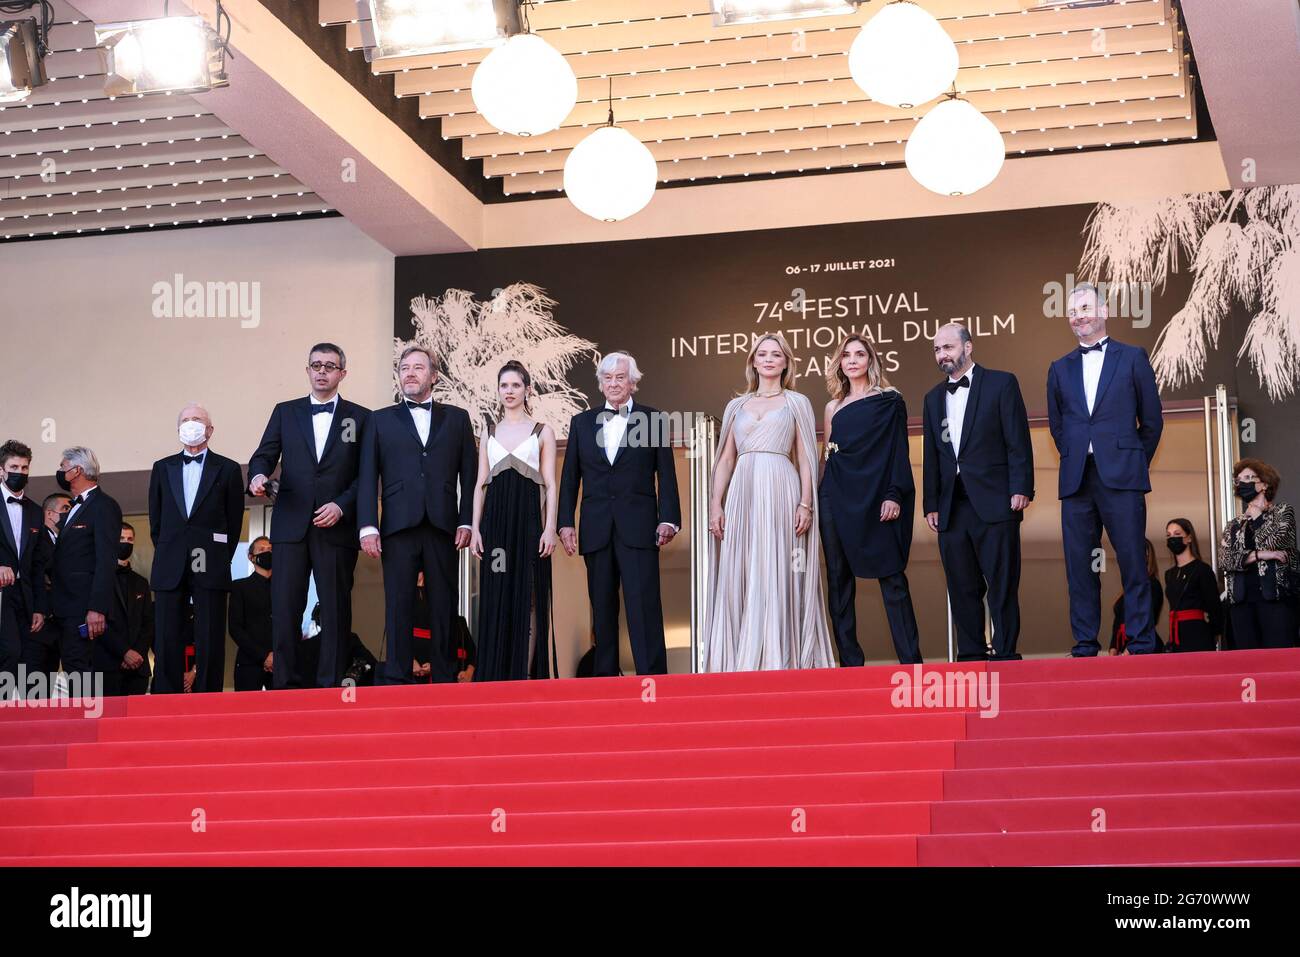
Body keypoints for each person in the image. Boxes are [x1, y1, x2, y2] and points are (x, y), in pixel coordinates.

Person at [1047, 282, 1163, 656]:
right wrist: (1078, 454)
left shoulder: (1132, 357)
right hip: (1077, 478)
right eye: (1072, 311)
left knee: (1132, 560)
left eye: (1084, 308)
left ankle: (1142, 641)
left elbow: (1152, 421)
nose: (1078, 316)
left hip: (1122, 476)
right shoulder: (1058, 368)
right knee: (1079, 567)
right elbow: (1058, 426)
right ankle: (1084, 643)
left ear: (1104, 311)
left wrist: (1132, 461)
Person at [704, 333, 833, 672]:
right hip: (742, 492)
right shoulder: (736, 406)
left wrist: (806, 503)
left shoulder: (797, 402)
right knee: (744, 568)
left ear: (786, 362)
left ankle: (784, 656)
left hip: (782, 487)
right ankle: (742, 661)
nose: (769, 359)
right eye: (763, 354)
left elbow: (806, 457)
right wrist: (715, 503)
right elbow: (726, 460)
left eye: (777, 354)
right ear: (753, 361)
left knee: (787, 566)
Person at [248, 343, 370, 689]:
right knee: (286, 608)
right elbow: (264, 455)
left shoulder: (361, 417)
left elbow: (366, 474)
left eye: (330, 366)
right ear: (307, 371)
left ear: (342, 374)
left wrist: (342, 505)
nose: (321, 371)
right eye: (316, 365)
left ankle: (329, 685)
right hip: (290, 525)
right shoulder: (285, 412)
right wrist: (257, 475)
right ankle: (284, 685)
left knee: (334, 609)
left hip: (336, 526)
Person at [558, 351, 682, 676]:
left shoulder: (653, 419)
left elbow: (666, 474)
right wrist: (565, 523)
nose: (614, 383)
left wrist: (668, 518)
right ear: (600, 384)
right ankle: (605, 684)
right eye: (608, 378)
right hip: (596, 529)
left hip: (640, 528)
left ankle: (652, 680)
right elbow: (570, 476)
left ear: (633, 382)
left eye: (620, 377)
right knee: (602, 609)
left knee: (644, 608)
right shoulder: (581, 423)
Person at [358, 345, 477, 685]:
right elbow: (367, 475)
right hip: (397, 525)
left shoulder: (457, 418)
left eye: (418, 367)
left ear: (433, 376)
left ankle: (443, 677)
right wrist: (368, 525)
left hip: (443, 525)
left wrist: (466, 519)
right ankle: (397, 676)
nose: (409, 372)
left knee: (444, 605)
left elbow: (468, 475)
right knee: (398, 603)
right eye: (404, 367)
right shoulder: (378, 419)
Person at [922, 324, 1034, 661]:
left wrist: (1021, 487)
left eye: (948, 347)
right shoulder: (932, 398)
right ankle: (970, 655)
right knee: (961, 586)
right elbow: (932, 455)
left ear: (968, 347)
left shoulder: (1002, 383)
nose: (943, 354)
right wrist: (931, 502)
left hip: (997, 501)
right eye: (937, 350)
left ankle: (1005, 654)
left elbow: (1018, 440)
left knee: (1002, 585)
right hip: (951, 508)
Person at [819, 335, 922, 665]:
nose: (851, 360)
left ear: (870, 360)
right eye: (845, 355)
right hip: (835, 494)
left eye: (859, 354)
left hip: (876, 496)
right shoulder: (832, 407)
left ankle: (911, 662)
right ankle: (850, 663)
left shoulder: (889, 399)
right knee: (838, 579)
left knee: (891, 576)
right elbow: (828, 455)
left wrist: (894, 494)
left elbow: (898, 451)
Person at [469, 361, 559, 681]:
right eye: (504, 386)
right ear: (498, 390)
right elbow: (481, 483)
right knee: (497, 595)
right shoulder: (488, 431)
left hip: (530, 524)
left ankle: (523, 675)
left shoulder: (542, 430)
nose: (509, 391)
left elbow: (550, 483)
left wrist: (550, 528)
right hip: (495, 526)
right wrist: (476, 528)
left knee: (529, 598)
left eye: (515, 386)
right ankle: (495, 675)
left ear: (527, 389)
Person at [148, 404, 245, 694]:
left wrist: (217, 558)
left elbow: (233, 520)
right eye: (186, 421)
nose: (191, 424)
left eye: (197, 420)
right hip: (170, 560)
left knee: (210, 632)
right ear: (178, 430)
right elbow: (157, 520)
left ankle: (207, 697)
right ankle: (166, 695)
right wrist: (169, 551)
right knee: (166, 632)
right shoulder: (162, 467)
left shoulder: (227, 469)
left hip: (211, 561)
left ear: (210, 430)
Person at [49, 447, 125, 692]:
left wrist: (96, 608)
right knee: (72, 665)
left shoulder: (104, 506)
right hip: (64, 605)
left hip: (83, 607)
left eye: (63, 467)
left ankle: (87, 726)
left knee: (77, 665)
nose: (60, 472)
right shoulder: (74, 507)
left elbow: (105, 560)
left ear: (76, 471)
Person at [1220, 459, 1298, 649]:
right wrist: (1260, 555)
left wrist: (1257, 517)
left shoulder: (1283, 512)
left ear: (1264, 483)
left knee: (1278, 660)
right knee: (1248, 662)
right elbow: (1225, 559)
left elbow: (1275, 541)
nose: (1243, 483)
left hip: (1276, 599)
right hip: (1241, 602)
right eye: (1239, 480)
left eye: (1248, 477)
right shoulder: (1234, 524)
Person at [0, 440, 51, 689]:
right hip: (1, 596)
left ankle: (27, 724)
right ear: (1, 470)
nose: (19, 472)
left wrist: (40, 607)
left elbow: (38, 564)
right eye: (14, 467)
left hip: (27, 596)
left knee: (30, 661)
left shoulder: (34, 511)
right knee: (7, 654)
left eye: (24, 468)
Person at [1164, 518, 1221, 653]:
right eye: (1169, 535)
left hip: (1198, 634)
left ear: (1189, 538)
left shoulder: (1202, 570)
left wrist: (1214, 634)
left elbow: (1215, 608)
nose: (1172, 538)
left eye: (1177, 534)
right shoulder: (1169, 574)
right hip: (1176, 635)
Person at [229, 537, 274, 691]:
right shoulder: (240, 587)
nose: (267, 553)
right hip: (249, 662)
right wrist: (264, 656)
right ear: (251, 557)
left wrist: (277, 656)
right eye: (261, 550)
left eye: (270, 550)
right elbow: (235, 628)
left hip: (281, 664)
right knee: (245, 712)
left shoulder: (284, 588)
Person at [114, 522, 153, 695]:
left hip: (139, 667)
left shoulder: (141, 582)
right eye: (121, 538)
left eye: (130, 539)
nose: (126, 543)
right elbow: (99, 622)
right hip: (109, 666)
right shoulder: (99, 580)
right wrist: (124, 652)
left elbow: (148, 622)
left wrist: (136, 653)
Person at [1109, 539, 1165, 654]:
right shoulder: (1128, 587)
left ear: (1146, 556)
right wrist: (1113, 647)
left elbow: (1149, 618)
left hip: (1143, 645)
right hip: (1125, 645)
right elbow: (1118, 622)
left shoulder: (1152, 584)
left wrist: (1130, 649)